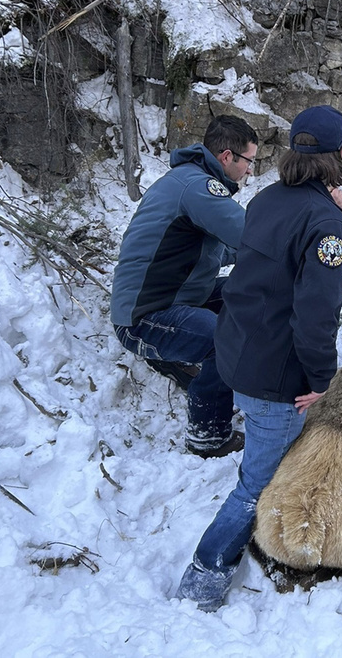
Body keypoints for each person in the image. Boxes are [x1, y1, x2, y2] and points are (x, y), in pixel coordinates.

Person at [175, 105, 342, 611]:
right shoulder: (326, 224)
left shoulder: (269, 199)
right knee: (255, 485)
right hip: (277, 380)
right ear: (337, 155)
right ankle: (204, 575)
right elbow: (315, 316)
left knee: (264, 464)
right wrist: (323, 378)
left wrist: (329, 212)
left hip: (240, 356)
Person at [110, 114, 259, 458]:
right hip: (144, 317)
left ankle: (189, 365)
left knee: (249, 292)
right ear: (227, 157)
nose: (251, 170)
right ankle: (208, 437)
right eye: (249, 161)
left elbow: (221, 251)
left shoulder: (190, 181)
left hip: (179, 296)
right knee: (223, 338)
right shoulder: (198, 188)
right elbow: (252, 236)